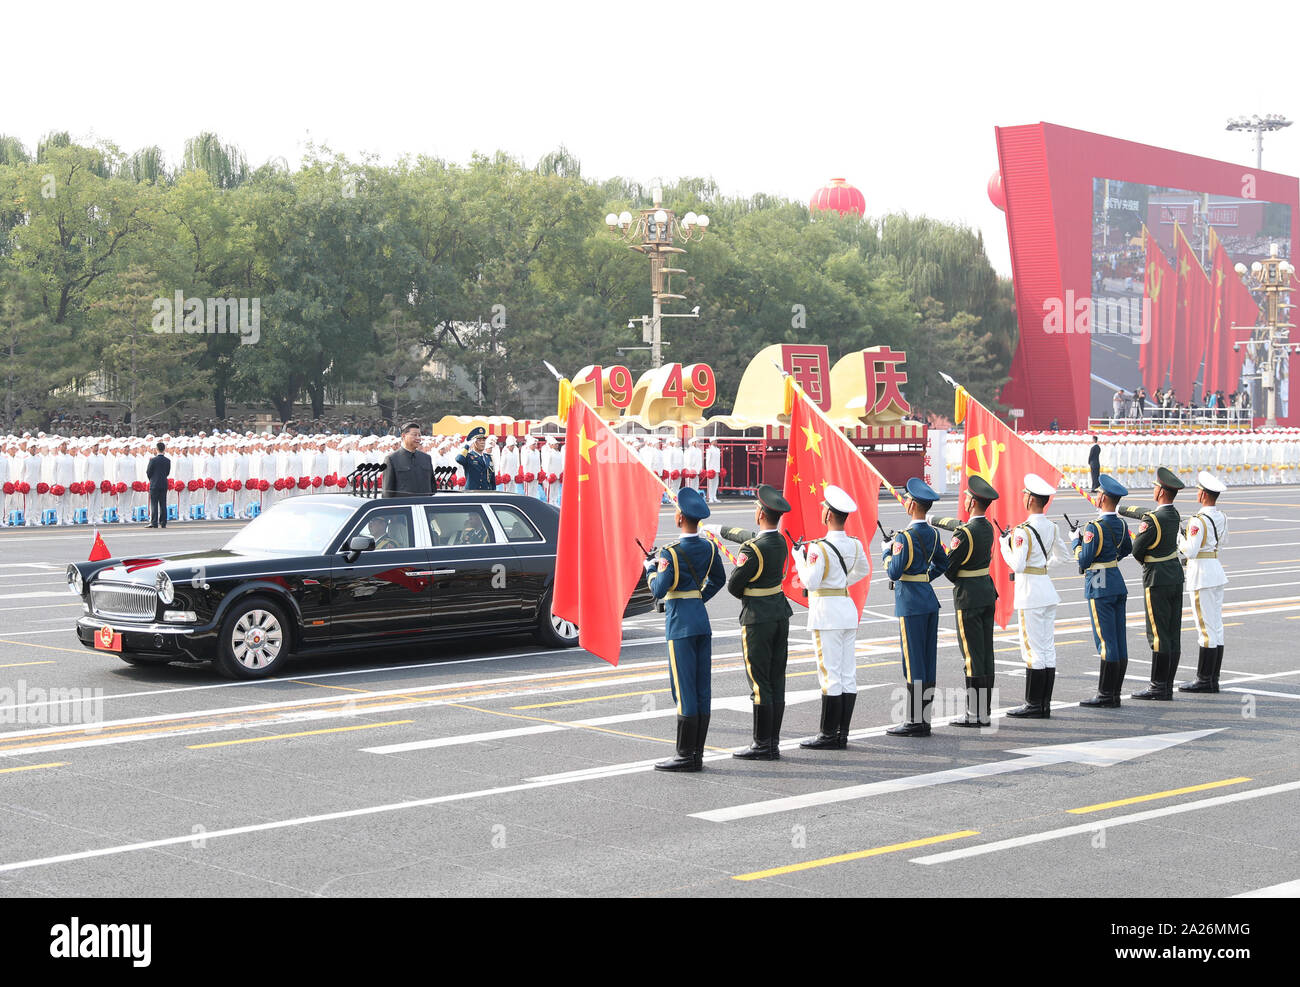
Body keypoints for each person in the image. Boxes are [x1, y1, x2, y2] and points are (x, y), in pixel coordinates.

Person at [645, 487, 726, 772]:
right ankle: (697, 754)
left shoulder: (670, 552)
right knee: (702, 688)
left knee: (683, 689)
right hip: (701, 621)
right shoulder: (709, 547)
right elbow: (719, 579)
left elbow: (658, 588)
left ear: (680, 518)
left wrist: (649, 568)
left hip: (680, 623)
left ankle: (684, 755)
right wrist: (698, 597)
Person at [708, 484, 792, 760]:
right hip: (779, 613)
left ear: (760, 514)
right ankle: (773, 742)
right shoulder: (779, 541)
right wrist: (720, 529)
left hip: (757, 618)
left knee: (758, 682)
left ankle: (761, 745)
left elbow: (734, 586)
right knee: (776, 679)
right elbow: (751, 537)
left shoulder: (752, 549)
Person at [792, 484, 872, 749]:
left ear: (828, 515)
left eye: (824, 508)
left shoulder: (818, 548)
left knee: (830, 675)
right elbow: (862, 570)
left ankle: (828, 735)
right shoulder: (855, 544)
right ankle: (842, 733)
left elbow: (811, 582)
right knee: (847, 674)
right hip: (846, 609)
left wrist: (799, 559)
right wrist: (840, 581)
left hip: (826, 613)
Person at [999, 473, 1068, 717]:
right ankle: (1044, 704)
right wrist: (1042, 565)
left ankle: (1033, 704)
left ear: (1030, 500)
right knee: (1047, 649)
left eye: (1025, 495)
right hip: (1046, 589)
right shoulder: (1052, 526)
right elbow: (1064, 557)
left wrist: (1003, 546)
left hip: (1030, 594)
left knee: (1031, 650)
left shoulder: (1022, 531)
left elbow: (1016, 565)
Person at [884, 478, 949, 737]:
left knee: (912, 662)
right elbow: (942, 565)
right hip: (928, 599)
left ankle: (914, 721)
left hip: (910, 603)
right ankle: (924, 719)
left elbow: (894, 572)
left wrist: (887, 552)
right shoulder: (933, 533)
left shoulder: (905, 537)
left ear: (911, 504)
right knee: (927, 659)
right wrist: (924, 579)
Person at [940, 474, 1000, 727]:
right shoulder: (986, 527)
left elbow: (949, 568)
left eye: (966, 496)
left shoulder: (964, 533)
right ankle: (983, 711)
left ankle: (974, 713)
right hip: (986, 591)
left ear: (973, 502)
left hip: (969, 597)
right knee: (986, 653)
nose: (963, 499)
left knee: (971, 656)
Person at [1125, 466, 1186, 700]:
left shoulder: (1153, 520)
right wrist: (1122, 508)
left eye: (1155, 487)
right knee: (1172, 631)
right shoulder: (1173, 514)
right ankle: (1167, 684)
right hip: (1174, 576)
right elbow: (1146, 513)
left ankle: (1158, 687)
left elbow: (1137, 549)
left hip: (1156, 577)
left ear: (1161, 492)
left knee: (1157, 633)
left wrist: (1146, 562)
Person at [1073, 474, 1134, 709]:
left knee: (1105, 640)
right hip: (1116, 579)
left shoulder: (1095, 527)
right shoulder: (1122, 523)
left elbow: (1085, 561)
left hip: (1099, 582)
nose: (1096, 496)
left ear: (1104, 498)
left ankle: (1106, 695)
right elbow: (1127, 549)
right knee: (1118, 638)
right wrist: (1111, 557)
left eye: (1098, 494)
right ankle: (1114, 692)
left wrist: (1076, 544)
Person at [1179, 470, 1229, 692]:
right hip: (1215, 570)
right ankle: (1213, 678)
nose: (1197, 494)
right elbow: (1223, 540)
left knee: (1205, 628)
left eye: (1199, 491)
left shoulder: (1198, 520)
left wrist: (1179, 538)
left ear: (1204, 495)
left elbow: (1190, 551)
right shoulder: (1222, 516)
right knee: (1216, 626)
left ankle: (1204, 679)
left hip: (1202, 574)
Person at [382, 422, 434, 498]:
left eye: (419, 435)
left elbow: (432, 488)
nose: (418, 438)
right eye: (414, 435)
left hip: (424, 506)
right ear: (403, 436)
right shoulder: (392, 459)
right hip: (404, 507)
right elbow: (387, 493)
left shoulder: (426, 458)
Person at [145, 441, 171, 528]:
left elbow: (148, 472)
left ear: (157, 449)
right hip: (163, 483)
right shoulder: (167, 460)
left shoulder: (153, 460)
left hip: (154, 484)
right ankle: (163, 522)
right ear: (164, 449)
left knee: (154, 503)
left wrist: (152, 479)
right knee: (163, 503)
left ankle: (154, 522)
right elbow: (167, 472)